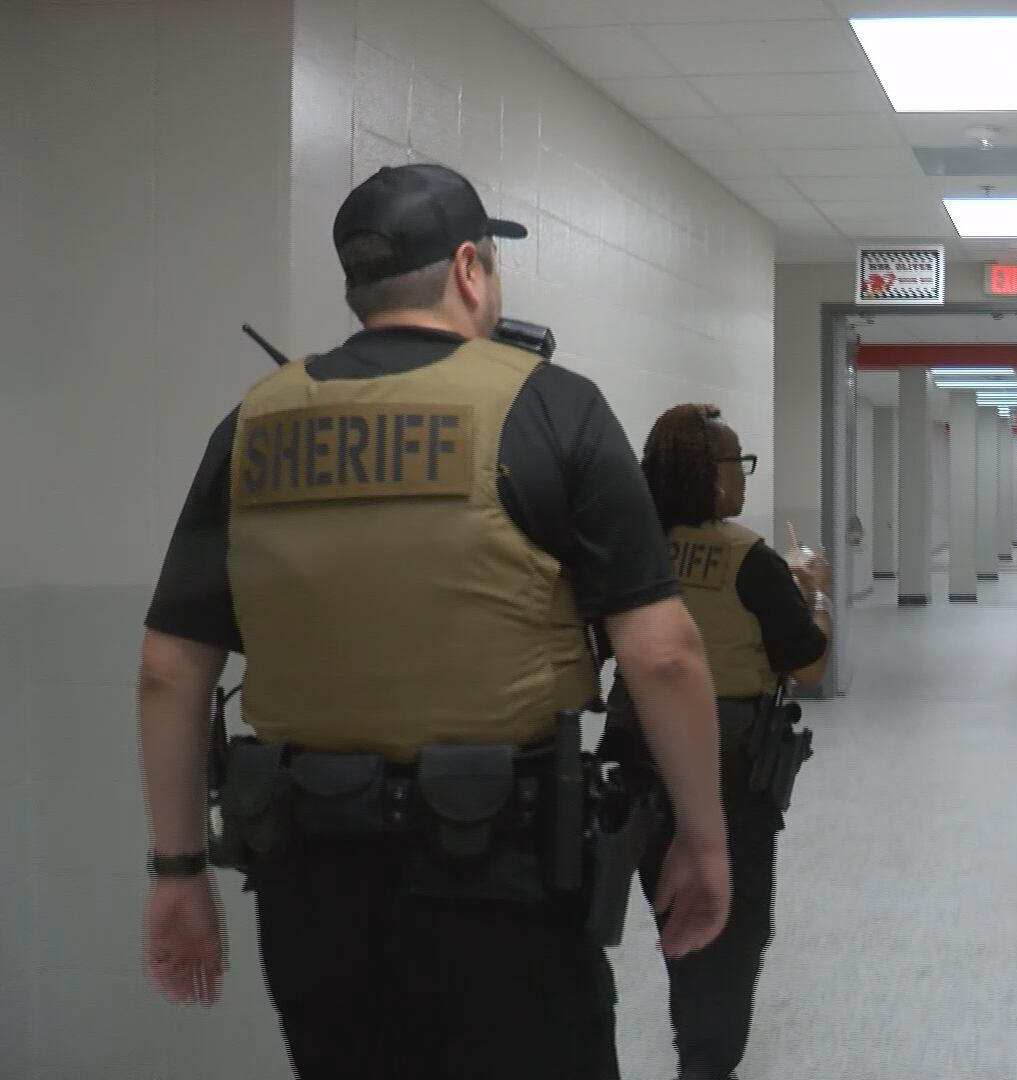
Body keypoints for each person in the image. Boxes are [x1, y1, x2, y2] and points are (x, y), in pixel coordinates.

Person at [135, 162, 731, 1079]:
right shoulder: (552, 406)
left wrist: (177, 873)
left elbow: (171, 670)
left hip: (311, 885)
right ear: (468, 269)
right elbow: (663, 657)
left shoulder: (253, 423)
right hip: (507, 882)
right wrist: (702, 836)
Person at [613, 404, 833, 1080]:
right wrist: (815, 596)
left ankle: (697, 1037)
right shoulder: (749, 558)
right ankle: (706, 1065)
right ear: (711, 479)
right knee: (735, 931)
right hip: (728, 768)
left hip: (640, 755)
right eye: (739, 464)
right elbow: (808, 664)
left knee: (676, 912)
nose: (743, 477)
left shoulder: (631, 545)